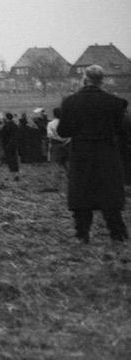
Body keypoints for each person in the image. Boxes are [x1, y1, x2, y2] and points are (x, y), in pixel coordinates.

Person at [57, 65, 128, 243]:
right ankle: (117, 233)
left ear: (85, 79)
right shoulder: (115, 102)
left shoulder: (70, 102)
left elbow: (63, 131)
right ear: (102, 80)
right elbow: (122, 131)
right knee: (109, 193)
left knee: (82, 193)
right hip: (106, 153)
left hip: (82, 153)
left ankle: (82, 234)